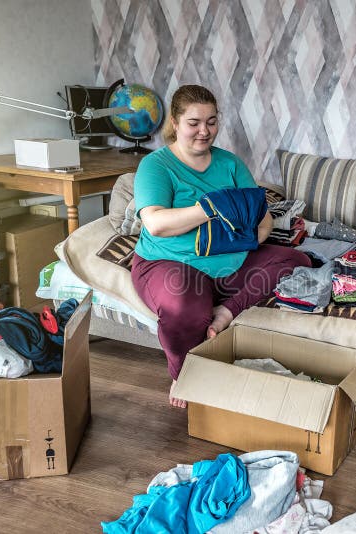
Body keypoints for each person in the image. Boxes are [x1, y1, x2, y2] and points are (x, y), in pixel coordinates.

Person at [131, 85, 311, 407]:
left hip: (228, 265)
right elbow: (155, 223)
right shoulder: (156, 166)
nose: (205, 131)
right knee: (184, 299)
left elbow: (263, 219)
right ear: (174, 122)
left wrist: (245, 240)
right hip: (170, 264)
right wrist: (210, 207)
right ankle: (183, 373)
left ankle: (225, 312)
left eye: (212, 121)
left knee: (295, 260)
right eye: (194, 123)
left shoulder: (231, 164)